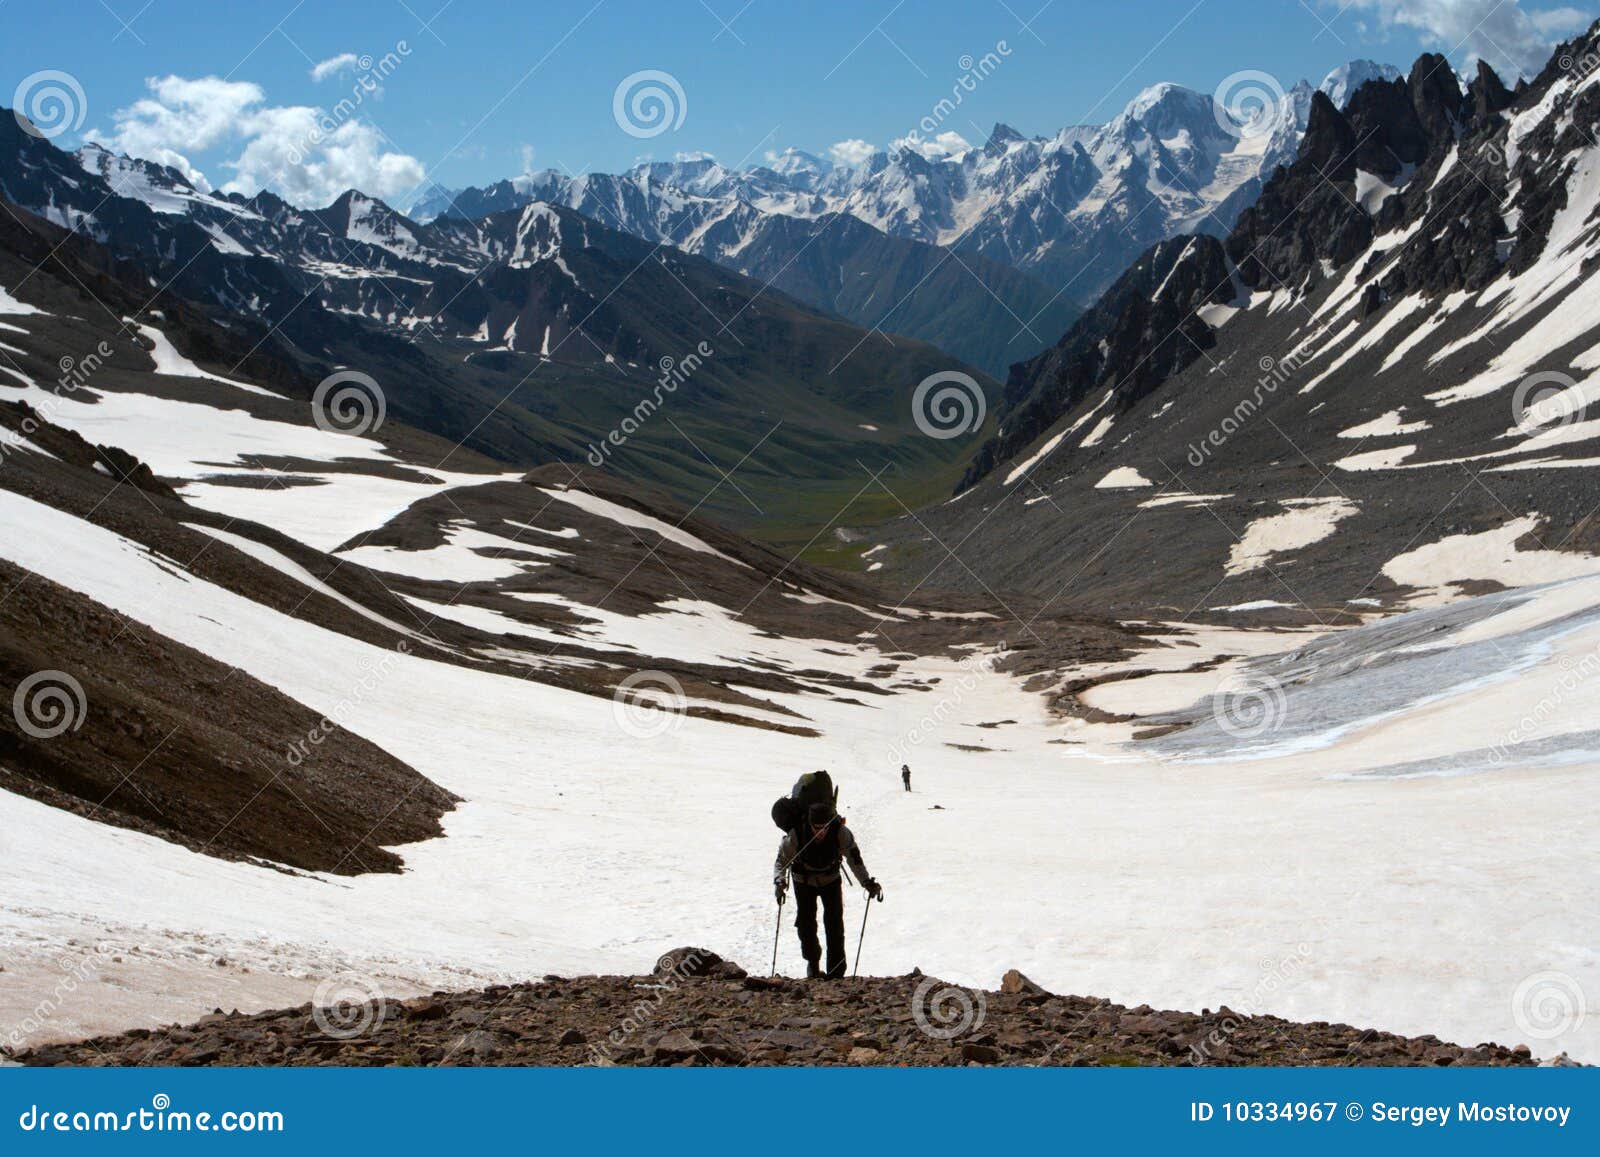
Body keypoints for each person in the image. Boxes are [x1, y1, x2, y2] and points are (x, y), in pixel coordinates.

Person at [774, 802, 882, 978]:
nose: (820, 831)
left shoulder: (840, 832)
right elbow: (782, 860)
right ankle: (813, 963)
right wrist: (780, 881)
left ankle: (836, 971)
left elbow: (854, 858)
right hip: (803, 881)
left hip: (830, 879)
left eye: (824, 827)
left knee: (834, 924)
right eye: (816, 828)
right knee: (806, 924)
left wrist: (866, 881)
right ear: (810, 823)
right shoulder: (797, 833)